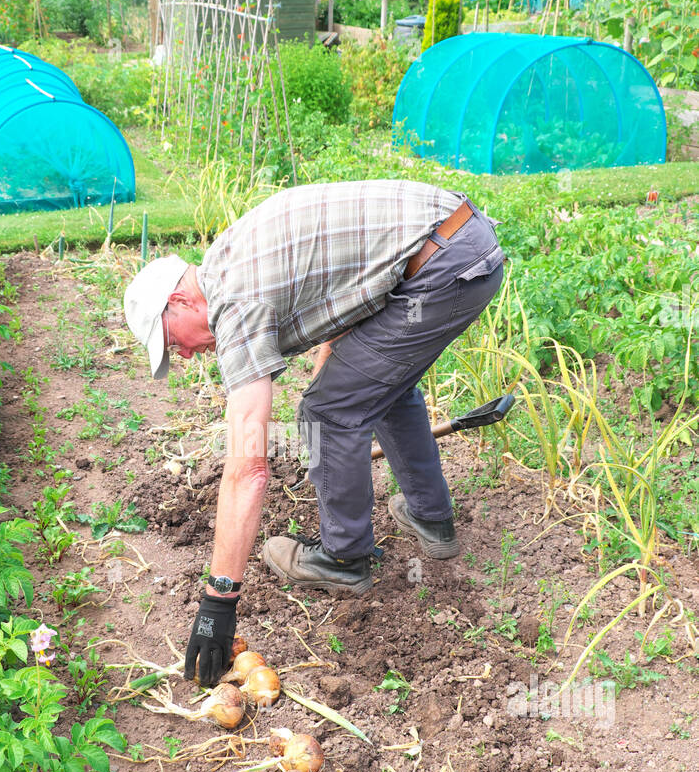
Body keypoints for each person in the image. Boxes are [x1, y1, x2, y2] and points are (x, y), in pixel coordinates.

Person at [124, 179, 505, 685]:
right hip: (457, 242)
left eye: (174, 343)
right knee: (370, 388)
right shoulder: (231, 258)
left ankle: (345, 557)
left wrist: (217, 602)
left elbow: (247, 470)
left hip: (444, 262)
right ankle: (430, 518)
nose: (186, 356)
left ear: (180, 302)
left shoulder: (233, 303)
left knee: (327, 413)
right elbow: (343, 304)